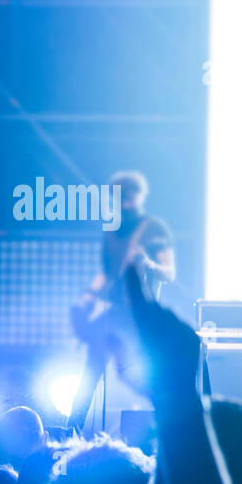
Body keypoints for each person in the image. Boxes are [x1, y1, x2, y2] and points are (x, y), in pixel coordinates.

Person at [67, 171, 176, 433]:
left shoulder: (154, 229)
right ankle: (69, 430)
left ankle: (169, 429)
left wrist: (146, 264)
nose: (123, 204)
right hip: (116, 315)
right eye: (118, 198)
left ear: (138, 197)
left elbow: (169, 273)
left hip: (143, 316)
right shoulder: (112, 233)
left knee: (156, 372)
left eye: (127, 197)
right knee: (90, 372)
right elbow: (106, 274)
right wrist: (86, 301)